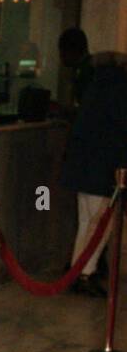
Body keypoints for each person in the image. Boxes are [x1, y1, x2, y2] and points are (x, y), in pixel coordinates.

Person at [60, 54, 127, 297]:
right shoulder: (121, 93)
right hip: (103, 172)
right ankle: (85, 273)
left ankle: (77, 269)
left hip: (83, 169)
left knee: (86, 223)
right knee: (101, 224)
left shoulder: (95, 88)